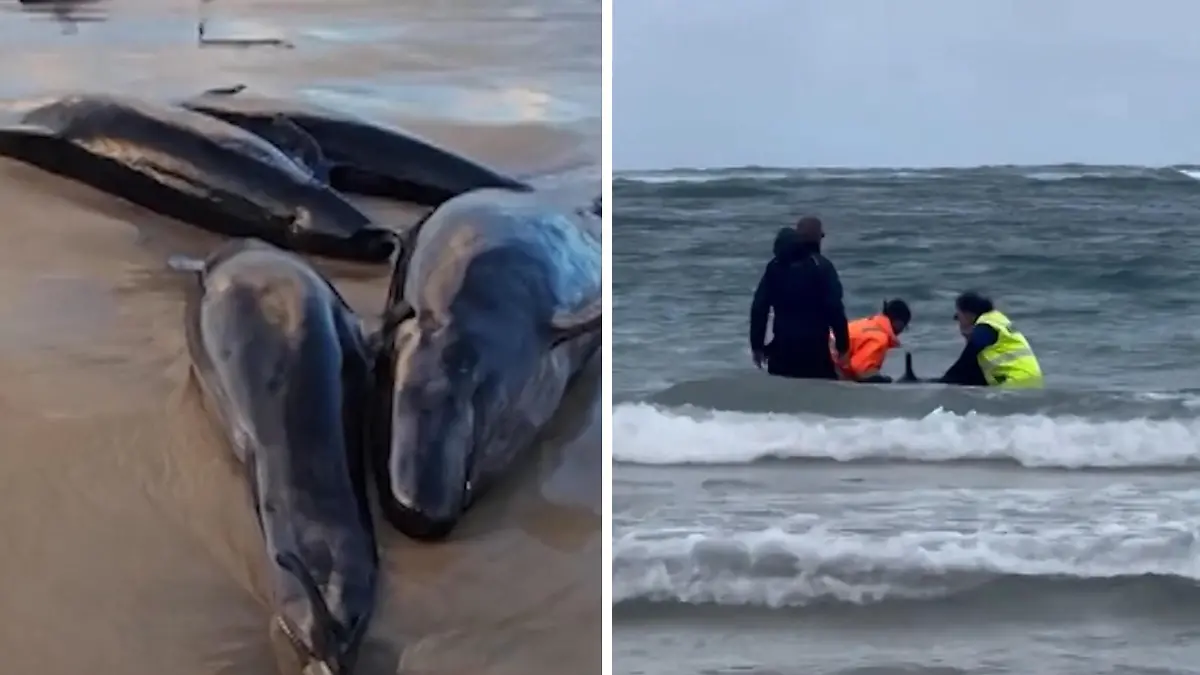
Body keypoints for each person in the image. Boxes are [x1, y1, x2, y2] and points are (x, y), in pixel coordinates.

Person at [749, 217, 850, 380]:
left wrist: (757, 346)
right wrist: (843, 346)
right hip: (814, 351)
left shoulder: (775, 266)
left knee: (780, 393)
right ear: (818, 238)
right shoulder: (822, 266)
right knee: (819, 392)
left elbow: (759, 308)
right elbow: (835, 308)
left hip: (781, 350)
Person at [938, 291, 1043, 388]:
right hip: (1030, 380)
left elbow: (970, 354)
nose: (958, 322)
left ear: (968, 314)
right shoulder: (998, 321)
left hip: (1014, 381)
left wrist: (945, 380)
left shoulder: (986, 325)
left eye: (958, 316)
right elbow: (972, 373)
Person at [834, 299, 912, 383]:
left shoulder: (863, 323)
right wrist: (885, 380)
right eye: (905, 327)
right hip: (827, 364)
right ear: (899, 323)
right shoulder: (879, 338)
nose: (902, 331)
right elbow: (862, 370)